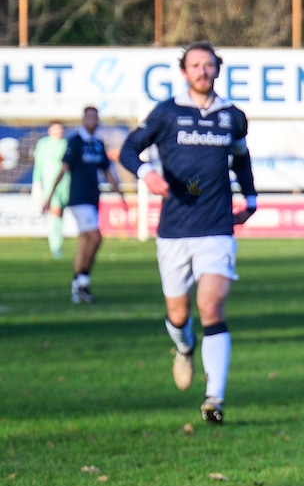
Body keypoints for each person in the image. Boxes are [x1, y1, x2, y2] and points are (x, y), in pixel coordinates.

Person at [119, 41, 257, 424]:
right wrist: (147, 174)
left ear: (217, 69)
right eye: (195, 65)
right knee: (178, 314)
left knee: (211, 306)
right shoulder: (166, 113)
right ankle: (183, 348)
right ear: (184, 71)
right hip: (174, 231)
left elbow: (242, 160)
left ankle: (214, 397)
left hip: (217, 227)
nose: (202, 71)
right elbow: (128, 151)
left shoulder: (232, 116)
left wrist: (251, 198)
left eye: (208, 65)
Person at [42, 107, 127, 303]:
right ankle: (83, 279)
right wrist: (50, 196)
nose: (92, 120)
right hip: (78, 198)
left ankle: (78, 286)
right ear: (83, 119)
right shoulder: (75, 141)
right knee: (95, 237)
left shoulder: (98, 143)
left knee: (85, 242)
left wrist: (119, 192)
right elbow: (63, 169)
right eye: (89, 117)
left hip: (93, 197)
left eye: (95, 117)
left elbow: (106, 171)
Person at [31, 122, 68, 258]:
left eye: (60, 128)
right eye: (56, 128)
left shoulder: (67, 143)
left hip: (67, 183)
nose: (58, 131)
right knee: (55, 212)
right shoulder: (43, 144)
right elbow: (39, 164)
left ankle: (60, 244)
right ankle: (56, 247)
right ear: (49, 130)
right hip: (50, 183)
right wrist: (37, 182)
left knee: (61, 212)